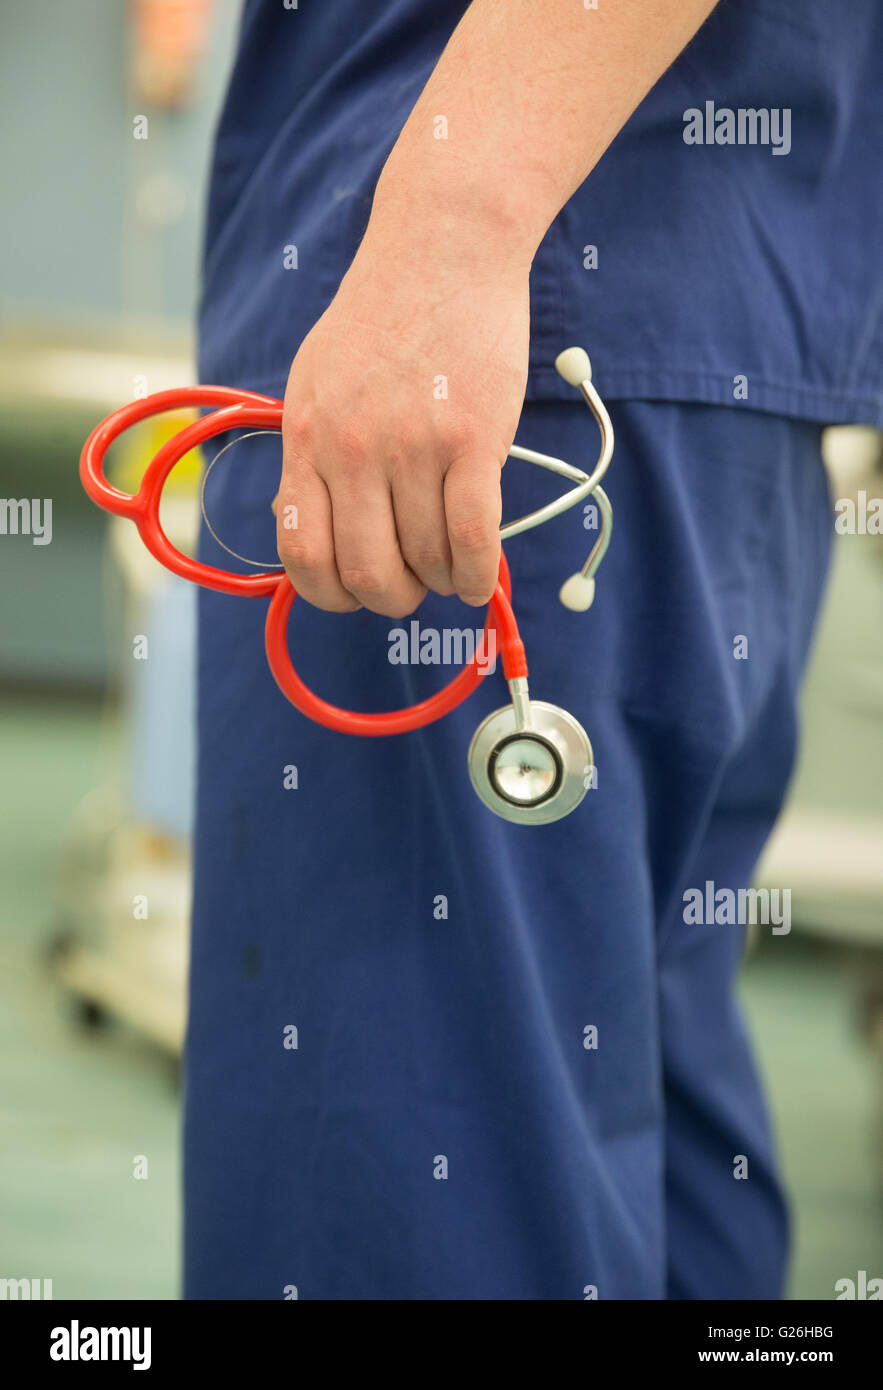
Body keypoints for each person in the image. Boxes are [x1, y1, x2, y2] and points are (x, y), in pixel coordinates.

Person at [185, 0, 883, 1299]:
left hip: (479, 386)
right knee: (632, 1122)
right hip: (682, 361)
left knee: (416, 1172)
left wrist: (451, 227)